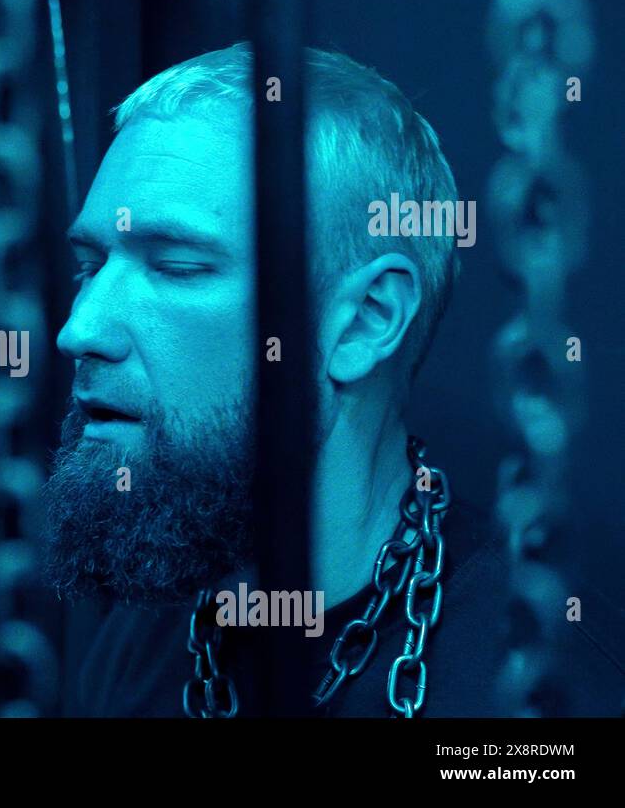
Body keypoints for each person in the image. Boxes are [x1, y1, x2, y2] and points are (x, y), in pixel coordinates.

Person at [42, 43, 625, 717]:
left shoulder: (537, 693)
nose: (80, 328)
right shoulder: (140, 640)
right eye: (91, 265)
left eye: (175, 265)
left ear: (365, 323)